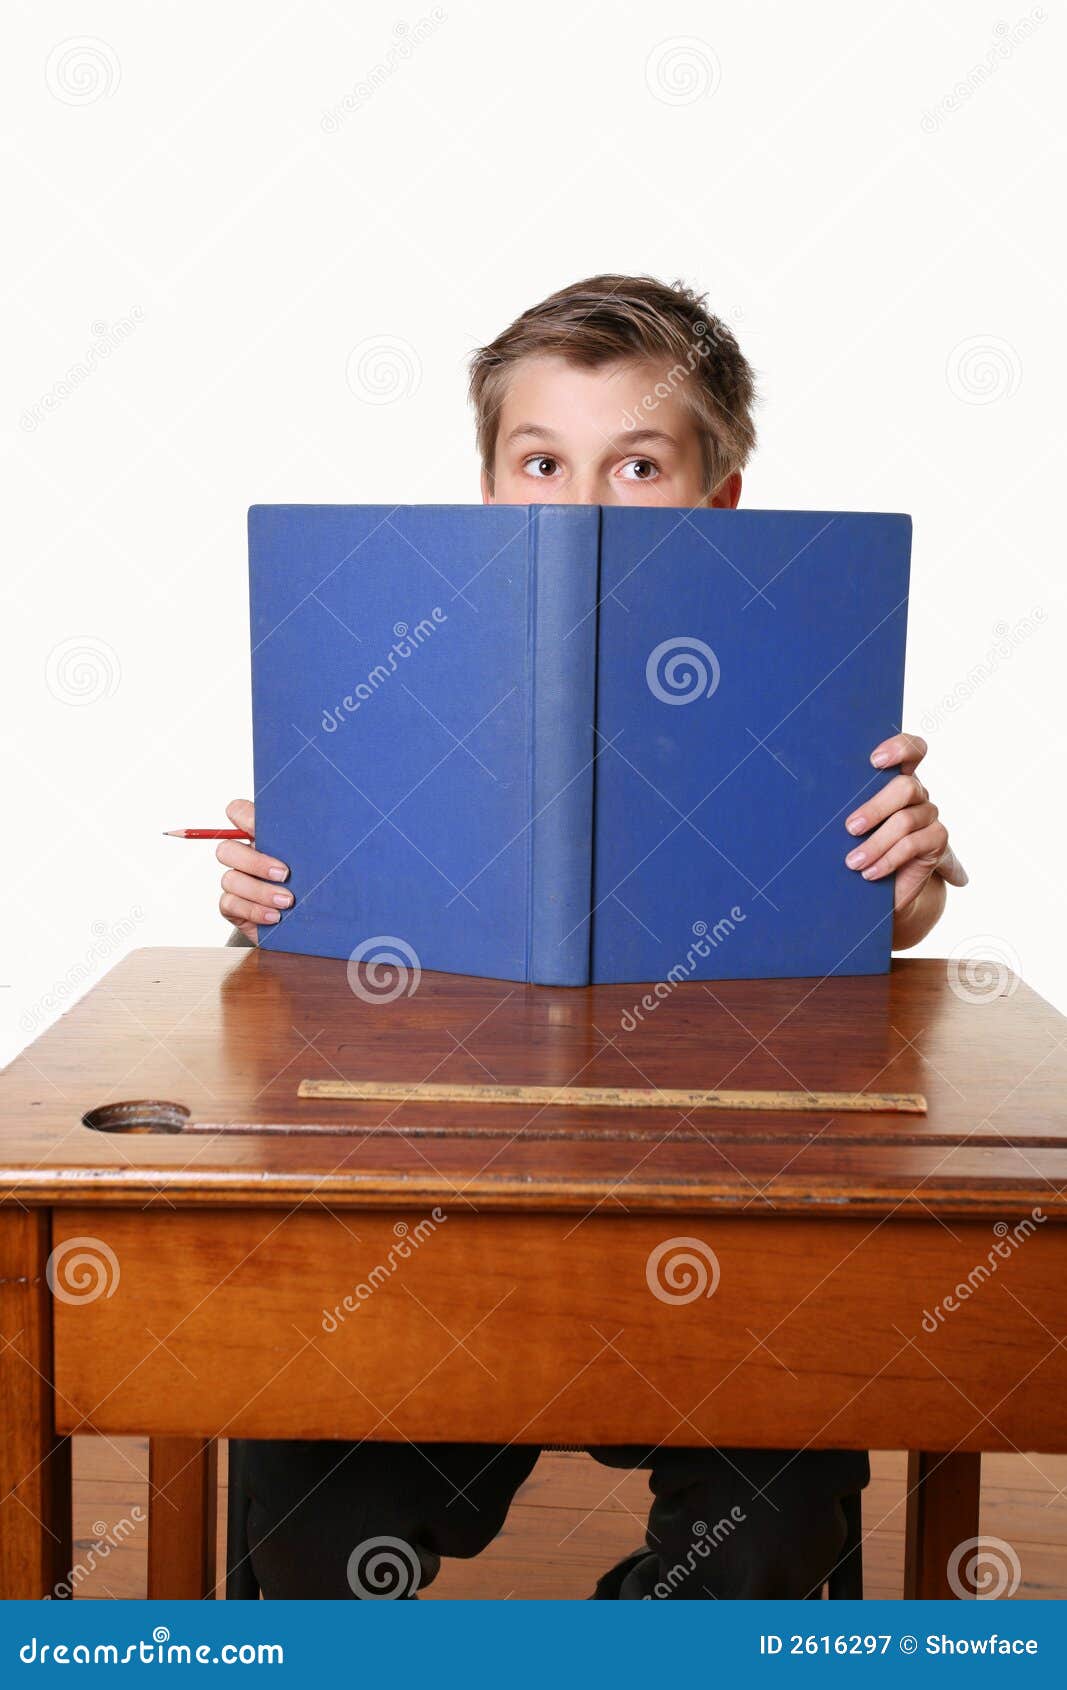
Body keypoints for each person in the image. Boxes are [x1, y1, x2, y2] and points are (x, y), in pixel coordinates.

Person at [219, 275, 967, 1598]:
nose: (581, 498)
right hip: (445, 1216)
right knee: (303, 1459)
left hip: (718, 1230)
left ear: (718, 497)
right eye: (541, 461)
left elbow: (864, 945)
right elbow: (315, 975)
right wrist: (277, 900)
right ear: (493, 491)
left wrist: (897, 894)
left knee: (778, 1498)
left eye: (637, 463)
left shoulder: (806, 680)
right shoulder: (395, 674)